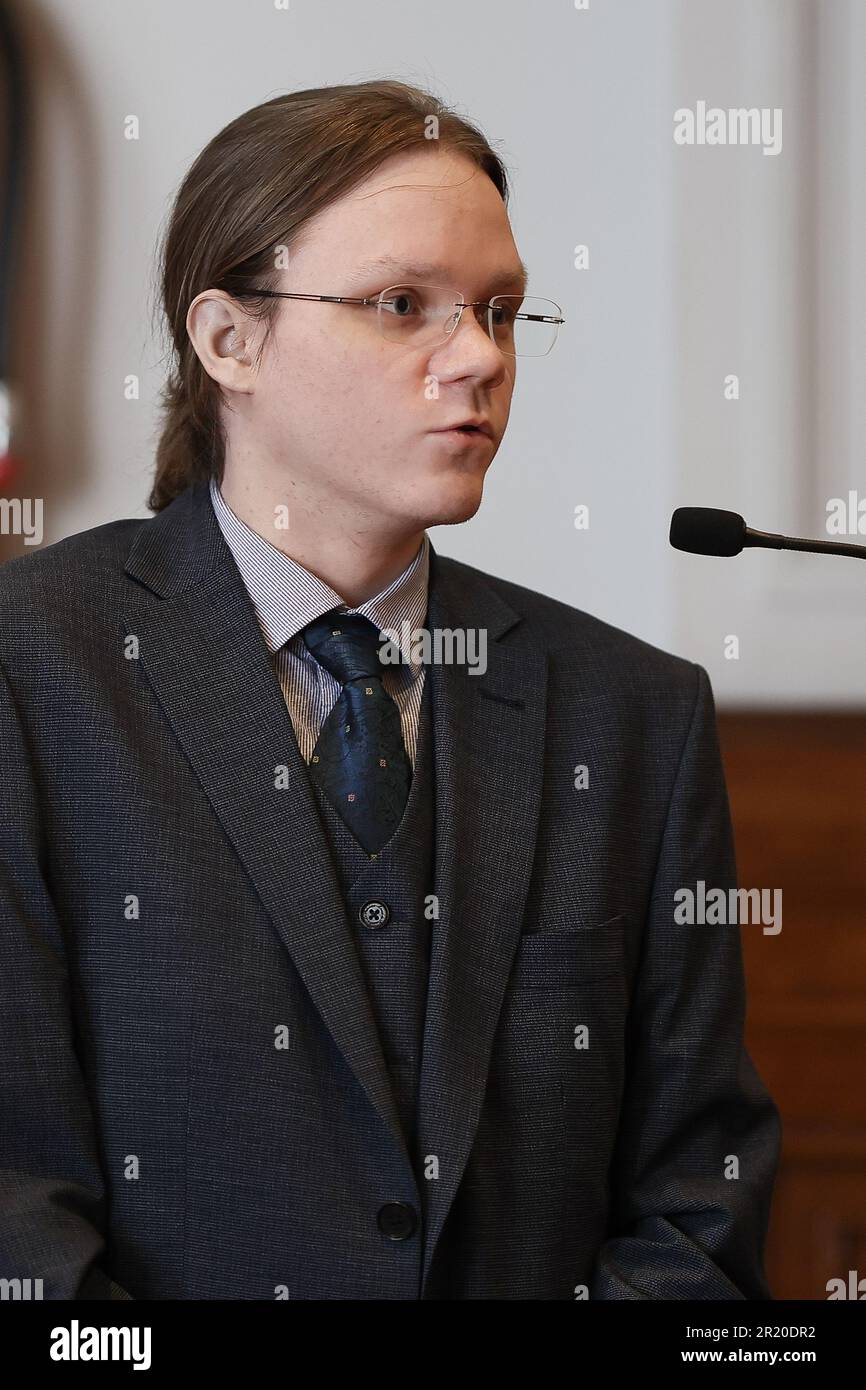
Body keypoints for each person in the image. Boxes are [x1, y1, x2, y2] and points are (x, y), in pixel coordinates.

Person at [0, 79, 780, 1300]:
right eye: (401, 304)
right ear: (227, 340)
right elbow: (15, 1217)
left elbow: (700, 1197)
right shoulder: (30, 663)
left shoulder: (634, 712)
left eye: (502, 311)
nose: (477, 357)